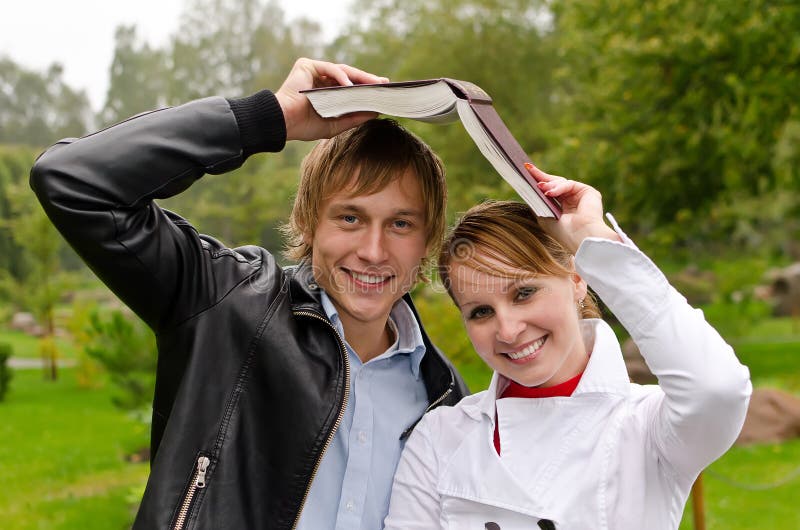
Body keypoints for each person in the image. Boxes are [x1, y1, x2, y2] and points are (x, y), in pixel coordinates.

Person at [30, 58, 468, 530]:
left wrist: (562, 245)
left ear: (428, 240)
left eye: (400, 224)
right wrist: (271, 118)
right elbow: (72, 180)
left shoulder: (445, 396)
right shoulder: (225, 301)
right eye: (350, 218)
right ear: (309, 222)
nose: (373, 250)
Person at [384, 165, 752, 529]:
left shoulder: (646, 426)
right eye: (481, 312)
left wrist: (593, 235)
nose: (508, 331)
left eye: (524, 293)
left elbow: (718, 389)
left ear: (577, 279)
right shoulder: (440, 436)